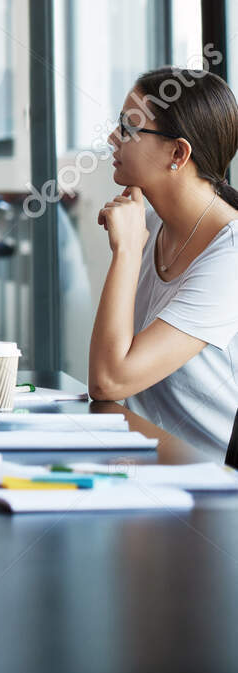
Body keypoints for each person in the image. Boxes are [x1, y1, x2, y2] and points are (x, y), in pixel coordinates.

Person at [90, 66, 238, 459]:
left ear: (178, 153)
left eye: (128, 128)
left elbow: (108, 381)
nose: (112, 138)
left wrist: (125, 252)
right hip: (146, 465)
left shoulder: (231, 257)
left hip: (213, 491)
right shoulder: (151, 223)